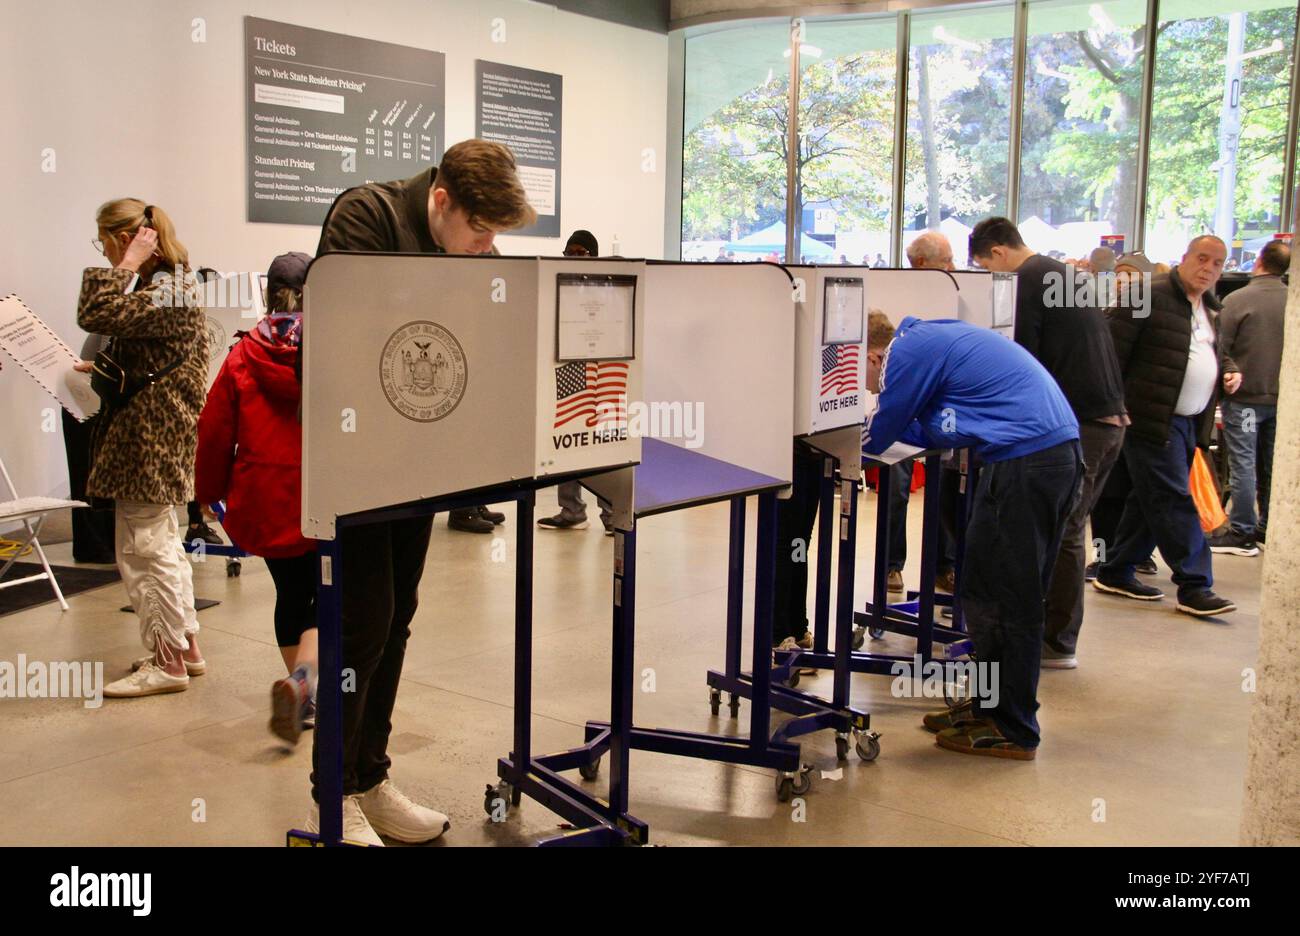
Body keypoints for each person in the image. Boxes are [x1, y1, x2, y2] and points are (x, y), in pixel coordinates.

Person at [308, 139, 536, 845]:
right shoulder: (363, 218)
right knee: (361, 626)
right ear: (440, 200)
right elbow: (357, 339)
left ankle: (370, 777)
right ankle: (335, 792)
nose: (486, 248)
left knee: (397, 620)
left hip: (420, 464)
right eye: (478, 231)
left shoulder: (473, 251)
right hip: (353, 467)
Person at [864, 311, 1082, 760]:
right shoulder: (936, 339)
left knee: (1007, 598)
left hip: (1027, 462)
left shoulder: (906, 352)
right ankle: (989, 706)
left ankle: (1013, 725)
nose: (869, 387)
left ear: (872, 355)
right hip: (1038, 458)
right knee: (984, 589)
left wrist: (835, 445)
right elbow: (929, 428)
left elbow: (882, 428)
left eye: (865, 379)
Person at [969, 218, 1128, 670]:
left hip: (1080, 422)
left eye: (984, 266)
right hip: (1107, 415)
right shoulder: (1062, 274)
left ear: (998, 253)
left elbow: (1022, 362)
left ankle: (1057, 642)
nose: (988, 277)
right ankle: (1055, 635)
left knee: (1064, 530)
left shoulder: (1024, 282)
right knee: (1069, 528)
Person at [76, 199, 208, 698]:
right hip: (156, 433)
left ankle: (166, 661)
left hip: (149, 437)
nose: (106, 254)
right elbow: (151, 355)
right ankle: (184, 648)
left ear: (126, 238)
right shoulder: (171, 286)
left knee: (143, 549)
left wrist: (128, 264)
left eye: (105, 243)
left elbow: (94, 311)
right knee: (161, 544)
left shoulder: (167, 288)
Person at [196, 252, 319, 745]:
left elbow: (213, 428)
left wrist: (207, 492)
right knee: (327, 594)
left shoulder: (244, 352)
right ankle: (303, 683)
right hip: (321, 492)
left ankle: (300, 691)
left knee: (291, 592)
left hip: (264, 496)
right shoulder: (329, 346)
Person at [1093, 235, 1236, 617]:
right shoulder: (1147, 294)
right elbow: (1111, 353)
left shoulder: (1208, 305)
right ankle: (1194, 585)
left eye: (1217, 263)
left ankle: (1116, 569)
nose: (1208, 268)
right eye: (1202, 259)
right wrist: (1110, 409)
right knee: (1174, 498)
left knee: (1148, 499)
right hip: (1149, 419)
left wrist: (1230, 371)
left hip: (1190, 421)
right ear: (1185, 258)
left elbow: (1213, 353)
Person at [881, 231, 960, 596]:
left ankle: (945, 566)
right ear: (925, 263)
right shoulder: (891, 288)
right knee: (895, 489)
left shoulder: (956, 291)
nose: (953, 266)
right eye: (947, 260)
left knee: (945, 486)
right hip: (900, 401)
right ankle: (890, 566)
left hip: (943, 407)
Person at [1209, 238, 1290, 555]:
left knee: (1242, 462)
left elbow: (1219, 346)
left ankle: (1241, 530)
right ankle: (1267, 527)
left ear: (1258, 261)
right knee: (1272, 465)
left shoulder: (1238, 300)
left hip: (1244, 397)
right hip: (1280, 401)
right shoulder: (1292, 302)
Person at [538, 230, 614, 534]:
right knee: (567, 437)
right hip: (569, 368)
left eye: (579, 253)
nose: (571, 258)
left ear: (593, 255)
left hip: (601, 372)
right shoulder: (560, 284)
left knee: (603, 447)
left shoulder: (608, 287)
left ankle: (610, 514)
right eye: (568, 252)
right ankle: (571, 509)